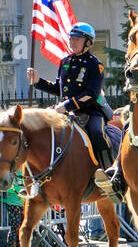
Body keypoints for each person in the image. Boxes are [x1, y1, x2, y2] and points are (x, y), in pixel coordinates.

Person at [30, 21, 116, 194]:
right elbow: (58, 88)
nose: (73, 42)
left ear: (88, 42)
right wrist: (38, 81)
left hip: (90, 111)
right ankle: (40, 180)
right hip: (65, 112)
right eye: (71, 38)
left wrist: (66, 105)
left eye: (77, 39)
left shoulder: (94, 64)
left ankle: (110, 176)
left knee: (98, 134)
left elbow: (90, 93)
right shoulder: (65, 62)